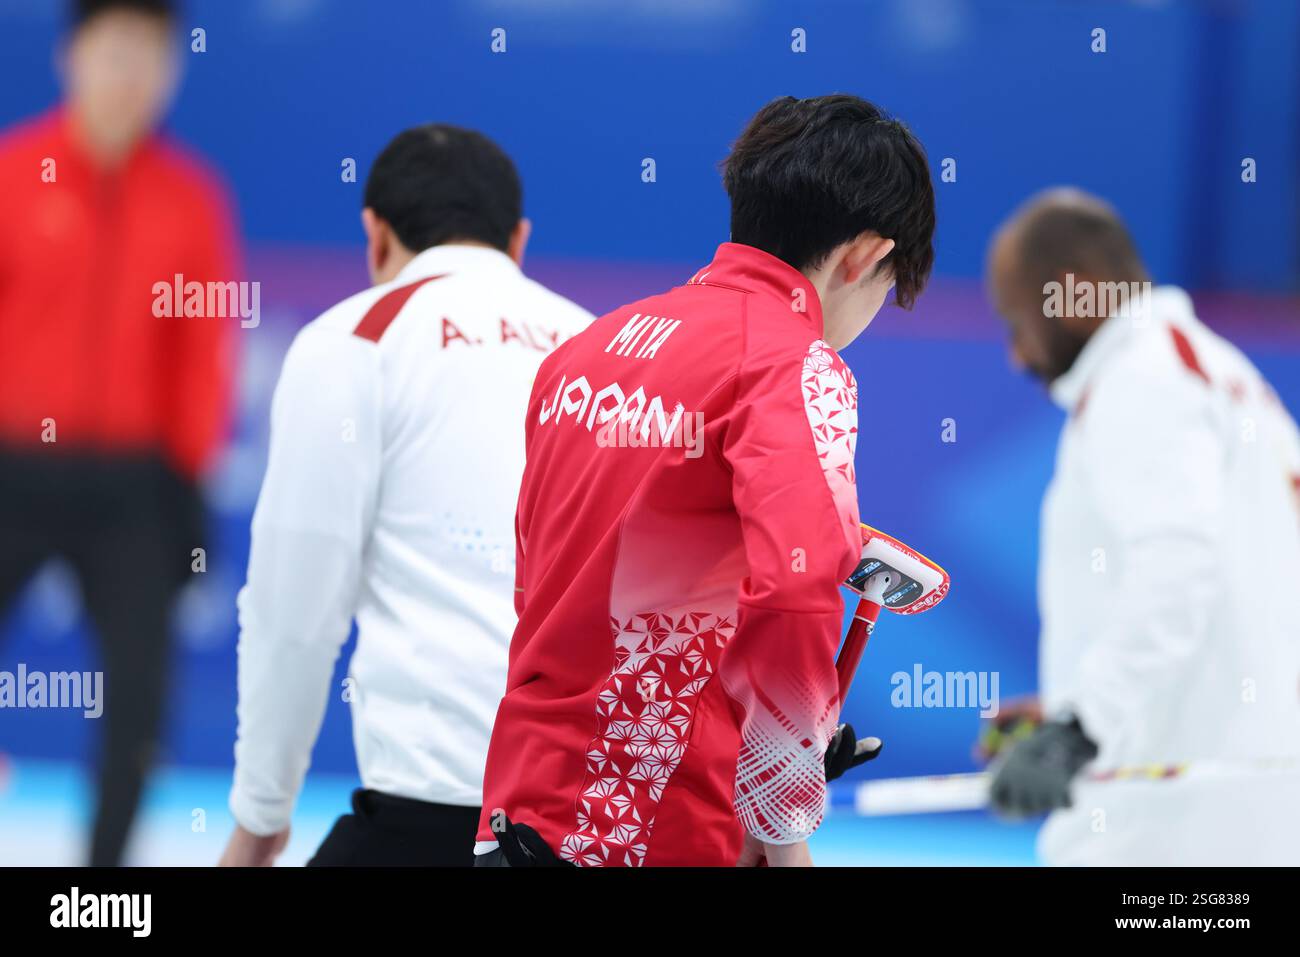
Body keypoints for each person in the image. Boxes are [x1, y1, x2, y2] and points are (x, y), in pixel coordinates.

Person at [474, 94, 936, 867]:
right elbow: (793, 595)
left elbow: (545, 583)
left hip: (517, 816)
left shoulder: (586, 349)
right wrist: (783, 822)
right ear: (864, 255)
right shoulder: (792, 365)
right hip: (657, 833)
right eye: (888, 286)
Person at [218, 125, 593, 868]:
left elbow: (293, 609)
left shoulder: (353, 341)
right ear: (518, 240)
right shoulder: (602, 345)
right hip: (602, 814)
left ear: (375, 235)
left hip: (437, 814)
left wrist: (261, 816)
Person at [985, 188, 1300, 865]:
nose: (1016, 352)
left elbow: (1179, 564)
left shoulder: (1143, 379)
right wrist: (1068, 703)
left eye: (1018, 320)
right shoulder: (1213, 372)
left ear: (1076, 293)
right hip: (1236, 797)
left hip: (1172, 827)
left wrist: (1084, 723)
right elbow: (1238, 588)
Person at [0, 0, 239, 866]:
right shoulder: (13, 176)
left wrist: (186, 478)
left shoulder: (190, 198)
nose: (128, 75)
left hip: (136, 486)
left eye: (149, 55)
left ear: (172, 70)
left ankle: (100, 889)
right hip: (13, 468)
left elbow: (201, 353)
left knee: (139, 699)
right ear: (71, 57)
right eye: (112, 52)